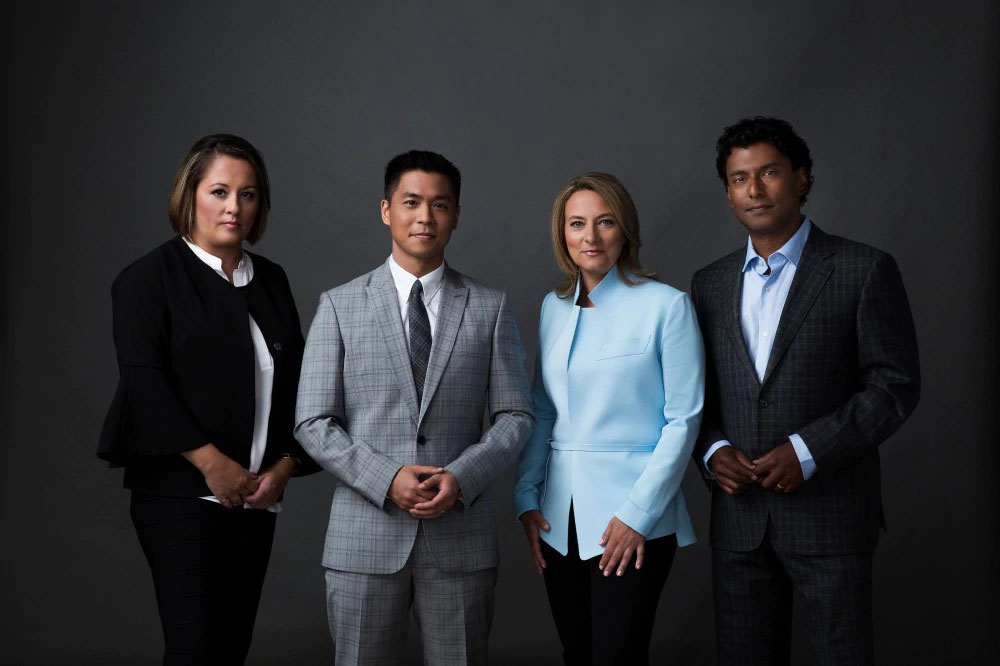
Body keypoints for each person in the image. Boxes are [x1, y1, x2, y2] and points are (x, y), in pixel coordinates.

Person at [691, 117, 920, 665]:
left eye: (769, 172)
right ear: (728, 193)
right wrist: (713, 450)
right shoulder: (709, 283)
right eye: (739, 178)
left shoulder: (863, 269)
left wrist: (807, 451)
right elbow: (691, 393)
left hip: (831, 515)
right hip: (740, 518)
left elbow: (894, 387)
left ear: (801, 178)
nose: (754, 189)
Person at [294, 150, 534, 665]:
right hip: (364, 537)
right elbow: (312, 422)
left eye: (439, 205)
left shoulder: (489, 307)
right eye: (411, 202)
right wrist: (386, 478)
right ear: (386, 210)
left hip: (460, 538)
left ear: (456, 215)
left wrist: (462, 477)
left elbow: (516, 416)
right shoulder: (339, 305)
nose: (425, 216)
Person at [97, 134, 317, 665]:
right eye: (219, 191)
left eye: (248, 194)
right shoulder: (146, 279)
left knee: (230, 648)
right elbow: (144, 384)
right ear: (190, 195)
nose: (233, 207)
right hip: (180, 497)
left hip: (258, 497)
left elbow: (298, 385)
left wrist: (285, 466)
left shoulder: (272, 280)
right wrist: (212, 465)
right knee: (193, 649)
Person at [513, 173, 705, 665]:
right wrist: (526, 497)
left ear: (626, 230)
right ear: (562, 233)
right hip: (558, 517)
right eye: (577, 224)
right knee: (577, 653)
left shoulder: (667, 305)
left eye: (605, 222)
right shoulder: (553, 307)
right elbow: (543, 408)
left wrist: (637, 514)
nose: (591, 237)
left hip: (634, 513)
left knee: (618, 656)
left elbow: (683, 420)